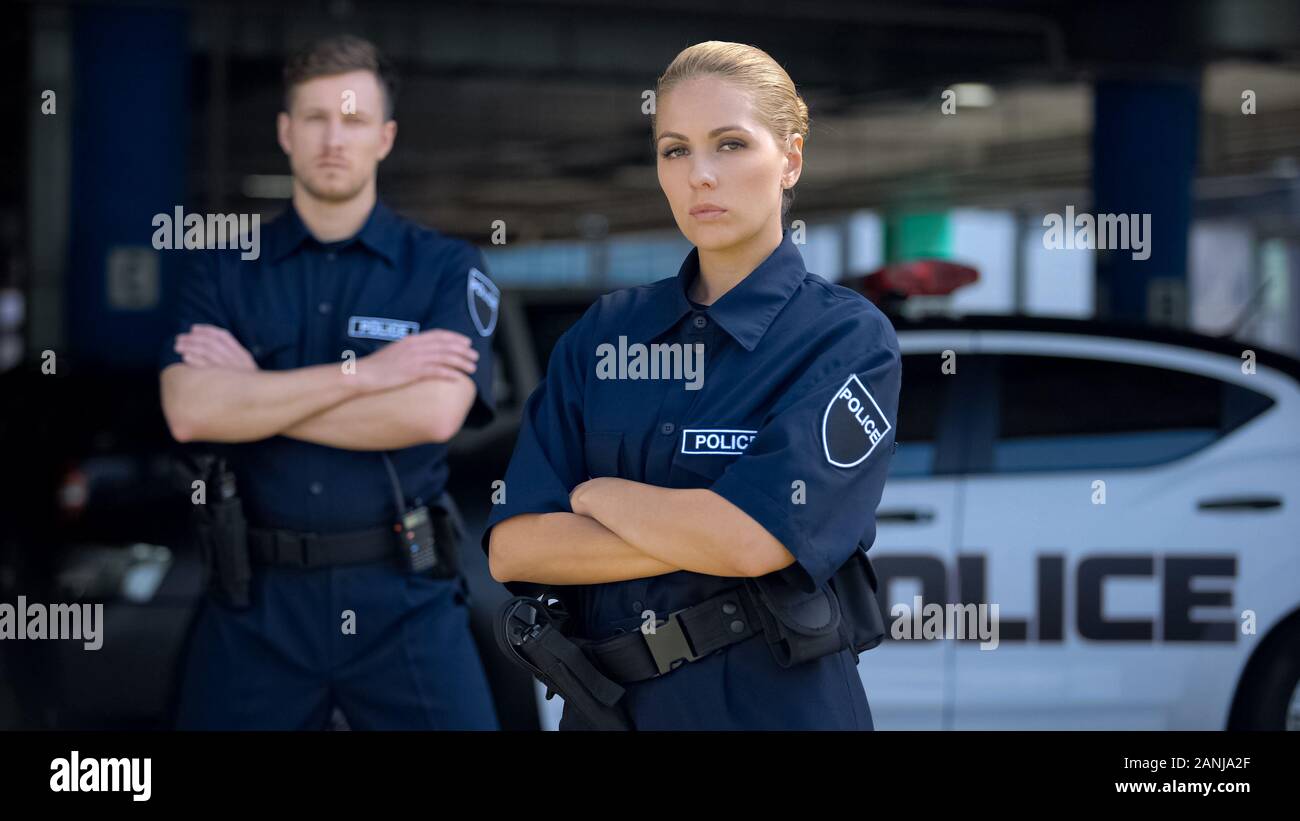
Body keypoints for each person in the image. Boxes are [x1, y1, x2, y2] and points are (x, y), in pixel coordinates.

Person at [483, 41, 902, 730]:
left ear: (791, 158)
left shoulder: (844, 339)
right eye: (675, 149)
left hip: (772, 706)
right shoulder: (604, 334)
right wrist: (707, 526)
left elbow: (754, 541)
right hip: (611, 709)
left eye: (730, 144)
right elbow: (516, 548)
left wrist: (598, 495)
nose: (699, 175)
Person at [160, 35, 500, 730]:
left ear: (385, 136)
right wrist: (367, 375)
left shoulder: (443, 267)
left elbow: (433, 413)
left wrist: (253, 394)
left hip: (404, 598)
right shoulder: (223, 271)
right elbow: (191, 411)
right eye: (315, 118)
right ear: (286, 132)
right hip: (254, 599)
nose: (332, 138)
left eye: (352, 119)